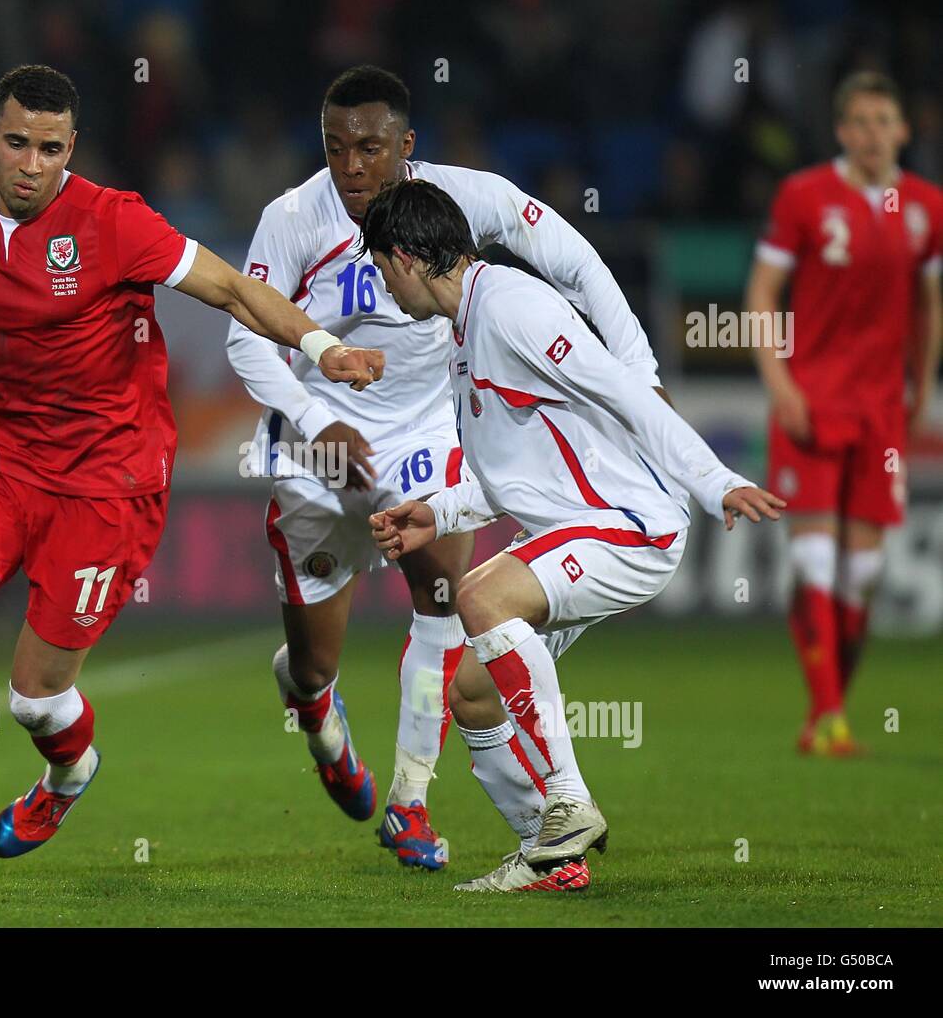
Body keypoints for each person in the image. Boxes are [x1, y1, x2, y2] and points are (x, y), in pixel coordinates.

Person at [0, 64, 381, 881]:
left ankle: (68, 773)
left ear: (70, 149)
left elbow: (230, 288)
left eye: (49, 148)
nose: (30, 163)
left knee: (35, 700)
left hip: (107, 483)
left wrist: (325, 349)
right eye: (15, 143)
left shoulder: (114, 222)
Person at [227, 65, 670, 870]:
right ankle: (317, 710)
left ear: (407, 145)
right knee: (313, 658)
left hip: (427, 435)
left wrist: (636, 368)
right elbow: (242, 336)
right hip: (319, 447)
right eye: (335, 148)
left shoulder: (467, 197)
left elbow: (574, 260)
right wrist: (318, 410)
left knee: (445, 606)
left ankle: (410, 799)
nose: (352, 167)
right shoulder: (291, 217)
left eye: (369, 148)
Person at [362, 179, 785, 891]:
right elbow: (512, 479)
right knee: (468, 690)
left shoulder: (512, 305)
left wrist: (716, 481)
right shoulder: (464, 332)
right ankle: (548, 856)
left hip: (631, 524)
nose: (383, 285)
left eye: (379, 267)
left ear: (404, 257)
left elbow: (624, 391)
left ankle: (567, 800)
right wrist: (434, 513)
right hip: (579, 528)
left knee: (480, 596)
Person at [744, 71, 943, 755]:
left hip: (881, 408)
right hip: (811, 402)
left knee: (861, 575)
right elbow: (762, 294)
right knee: (817, 558)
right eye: (857, 121)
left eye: (883, 120)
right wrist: (780, 382)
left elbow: (928, 303)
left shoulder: (926, 207)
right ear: (839, 131)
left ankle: (827, 710)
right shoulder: (805, 195)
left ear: (904, 129)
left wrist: (924, 382)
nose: (870, 134)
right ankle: (829, 716)